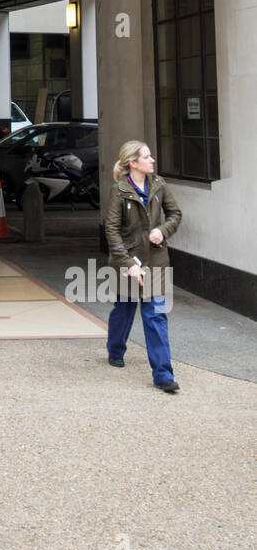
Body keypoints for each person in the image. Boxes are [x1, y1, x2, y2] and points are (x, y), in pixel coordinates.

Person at [103, 141, 182, 393]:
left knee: (156, 315)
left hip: (156, 261)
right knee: (124, 309)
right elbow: (111, 230)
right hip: (128, 260)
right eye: (147, 157)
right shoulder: (119, 190)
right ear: (133, 163)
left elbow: (175, 214)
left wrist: (163, 230)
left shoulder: (159, 185)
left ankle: (163, 375)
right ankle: (115, 349)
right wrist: (127, 264)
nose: (153, 160)